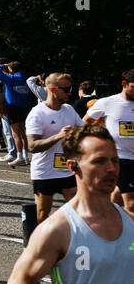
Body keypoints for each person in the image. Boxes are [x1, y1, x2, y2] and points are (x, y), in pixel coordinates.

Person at [5, 123, 134, 284]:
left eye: (115, 161)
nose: (111, 169)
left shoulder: (131, 222)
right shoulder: (59, 229)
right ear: (73, 167)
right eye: (99, 161)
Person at [26, 73, 84, 223]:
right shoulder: (37, 113)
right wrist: (58, 136)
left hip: (66, 169)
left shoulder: (69, 109)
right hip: (44, 172)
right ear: (52, 89)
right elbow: (32, 146)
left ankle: (74, 241)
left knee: (79, 209)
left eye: (70, 88)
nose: (69, 92)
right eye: (65, 89)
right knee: (43, 213)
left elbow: (84, 130)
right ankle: (39, 244)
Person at [85, 69, 134, 213]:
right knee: (131, 203)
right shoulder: (107, 102)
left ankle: (106, 219)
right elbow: (85, 123)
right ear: (124, 84)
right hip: (121, 157)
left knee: (117, 196)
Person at [0, 59, 35, 168]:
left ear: (11, 69)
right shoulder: (23, 77)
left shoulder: (10, 79)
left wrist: (2, 65)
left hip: (13, 107)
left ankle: (19, 157)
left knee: (15, 134)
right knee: (22, 133)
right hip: (24, 107)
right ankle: (26, 156)